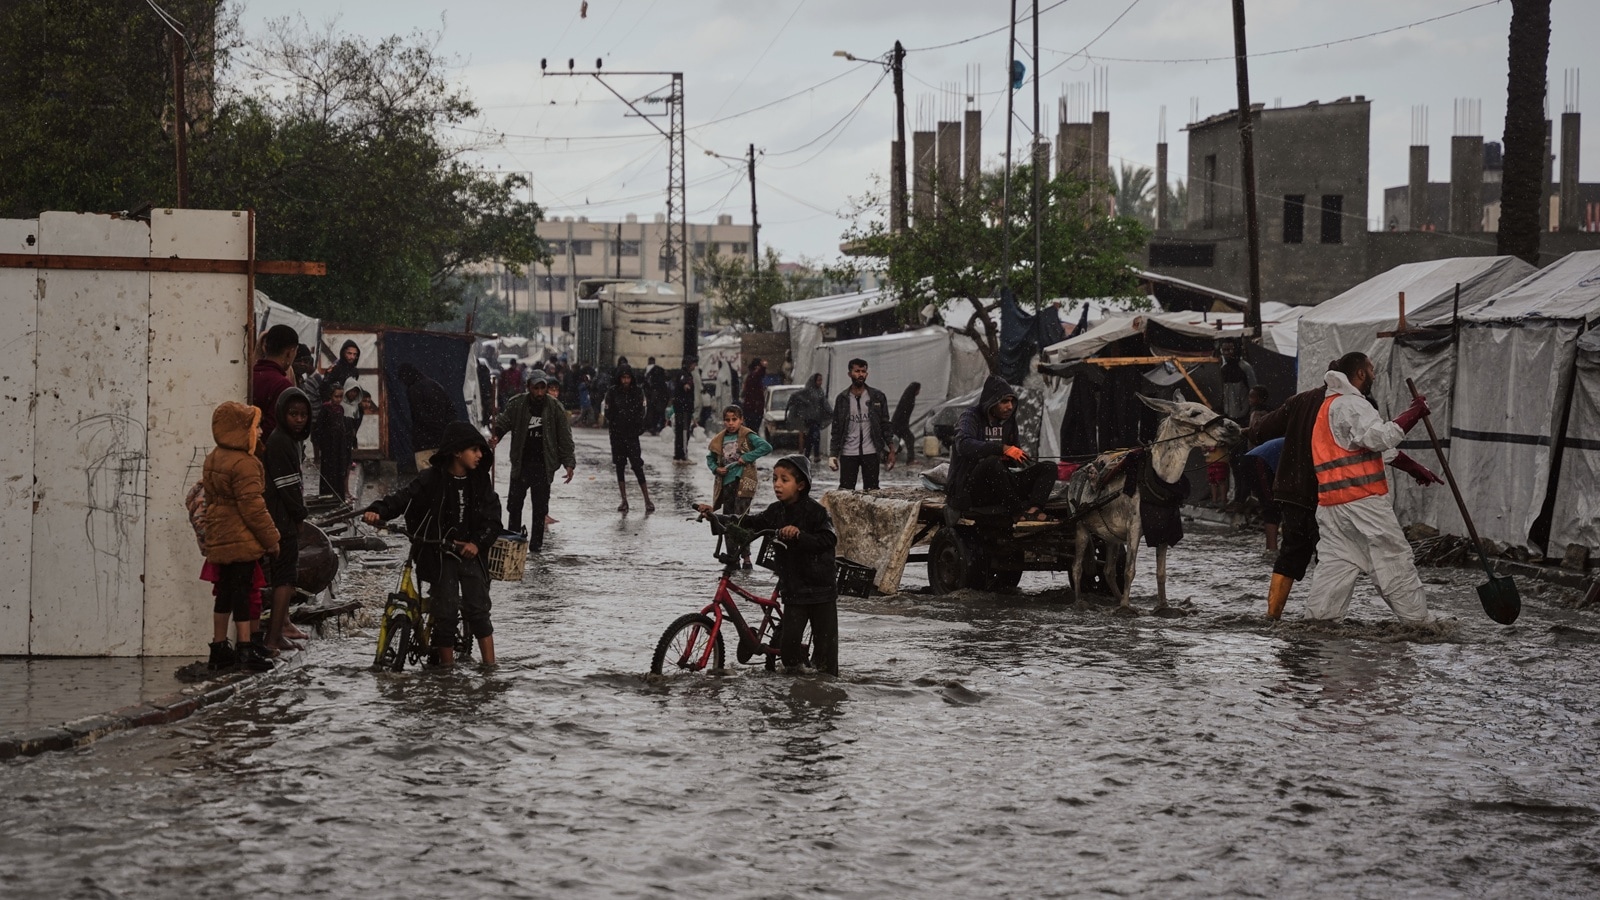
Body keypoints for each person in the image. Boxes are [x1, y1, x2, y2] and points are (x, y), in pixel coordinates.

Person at [1301, 352, 1445, 626]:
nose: (1375, 377)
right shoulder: (1352, 404)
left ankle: (1318, 624)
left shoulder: (1329, 407)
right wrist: (1414, 413)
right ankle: (1419, 624)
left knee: (1336, 566)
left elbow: (1370, 451)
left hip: (1333, 507)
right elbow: (1379, 438)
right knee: (1393, 559)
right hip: (1364, 504)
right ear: (1360, 374)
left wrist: (1414, 467)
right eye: (1372, 371)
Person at [363, 421, 503, 666]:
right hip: (440, 555)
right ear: (457, 452)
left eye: (481, 451)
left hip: (471, 556)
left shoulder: (480, 482)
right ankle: (446, 674)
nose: (480, 455)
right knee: (445, 613)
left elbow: (493, 520)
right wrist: (378, 511)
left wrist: (477, 543)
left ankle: (490, 668)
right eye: (475, 450)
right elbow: (403, 499)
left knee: (479, 611)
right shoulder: (431, 479)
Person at [696, 455, 838, 675]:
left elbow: (829, 539)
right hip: (793, 590)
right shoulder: (776, 511)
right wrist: (716, 518)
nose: (777, 485)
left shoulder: (817, 512)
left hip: (820, 590)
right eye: (774, 479)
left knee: (826, 661)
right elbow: (748, 522)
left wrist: (799, 535)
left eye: (784, 480)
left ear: (801, 485)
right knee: (789, 656)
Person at [202, 401, 280, 673]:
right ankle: (245, 649)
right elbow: (253, 508)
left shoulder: (214, 457)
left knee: (223, 591)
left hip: (220, 533)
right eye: (255, 427)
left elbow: (209, 498)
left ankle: (219, 647)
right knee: (243, 591)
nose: (259, 432)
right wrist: (272, 539)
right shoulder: (245, 464)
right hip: (241, 536)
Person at [1248, 373, 1332, 619]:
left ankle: (1273, 615)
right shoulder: (1347, 405)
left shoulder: (1300, 401)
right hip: (1324, 495)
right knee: (1329, 556)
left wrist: (1247, 432)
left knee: (1290, 554)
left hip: (1292, 492)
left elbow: (1261, 429)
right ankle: (1319, 617)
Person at [946, 375, 1056, 521]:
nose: (1009, 406)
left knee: (1049, 467)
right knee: (992, 463)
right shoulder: (971, 417)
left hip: (1000, 485)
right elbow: (964, 445)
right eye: (1004, 402)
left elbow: (1011, 457)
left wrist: (1018, 457)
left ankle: (1034, 510)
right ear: (991, 402)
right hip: (971, 488)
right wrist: (1002, 449)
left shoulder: (1008, 422)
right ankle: (1017, 513)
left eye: (1011, 401)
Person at [491, 372, 575, 551]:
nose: (539, 392)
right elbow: (504, 422)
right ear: (529, 387)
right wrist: (496, 436)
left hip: (543, 466)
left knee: (540, 509)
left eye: (542, 388)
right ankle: (513, 543)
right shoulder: (517, 404)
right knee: (514, 506)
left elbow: (565, 437)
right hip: (521, 464)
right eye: (535, 388)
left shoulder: (555, 408)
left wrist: (569, 463)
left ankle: (536, 546)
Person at [262, 387, 312, 654]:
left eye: (303, 414)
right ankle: (274, 637)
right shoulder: (280, 441)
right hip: (282, 519)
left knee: (284, 575)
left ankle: (282, 626)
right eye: (293, 414)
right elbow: (287, 486)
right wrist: (300, 515)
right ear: (283, 414)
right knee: (285, 577)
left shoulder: (289, 440)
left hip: (282, 516)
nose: (299, 419)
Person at [706, 404, 773, 571]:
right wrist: (716, 468)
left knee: (741, 520)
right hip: (726, 484)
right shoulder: (719, 439)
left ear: (741, 420)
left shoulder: (747, 435)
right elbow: (711, 458)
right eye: (727, 420)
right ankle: (732, 557)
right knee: (728, 521)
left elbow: (766, 447)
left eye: (734, 419)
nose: (731, 423)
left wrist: (747, 457)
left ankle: (746, 557)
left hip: (744, 483)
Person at [828, 358, 894, 490]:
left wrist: (891, 450)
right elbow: (836, 429)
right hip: (848, 452)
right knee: (846, 491)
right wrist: (833, 454)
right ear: (850, 374)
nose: (861, 374)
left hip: (871, 452)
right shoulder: (842, 399)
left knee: (872, 491)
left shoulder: (877, 397)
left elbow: (885, 424)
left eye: (863, 371)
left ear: (867, 374)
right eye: (857, 371)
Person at [604, 365, 654, 513]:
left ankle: (647, 499)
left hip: (632, 435)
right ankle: (624, 499)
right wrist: (617, 422)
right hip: (617, 434)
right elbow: (608, 411)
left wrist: (636, 425)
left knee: (637, 466)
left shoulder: (637, 392)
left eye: (628, 378)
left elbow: (642, 410)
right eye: (623, 378)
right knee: (620, 466)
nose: (625, 381)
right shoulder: (612, 392)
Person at [398, 362, 458, 470]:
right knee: (441, 478)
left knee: (426, 480)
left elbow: (420, 417)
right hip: (442, 443)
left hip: (424, 444)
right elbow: (451, 412)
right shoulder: (436, 385)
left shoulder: (414, 389)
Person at [252, 324, 299, 440]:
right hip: (268, 455)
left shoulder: (249, 376)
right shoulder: (282, 385)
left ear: (265, 347)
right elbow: (273, 431)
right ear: (289, 353)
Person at [312, 379, 351, 500]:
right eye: (336, 396)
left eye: (341, 397)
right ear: (331, 396)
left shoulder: (340, 409)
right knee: (329, 470)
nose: (338, 399)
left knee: (339, 469)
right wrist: (318, 445)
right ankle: (327, 495)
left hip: (339, 445)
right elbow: (319, 427)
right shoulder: (326, 408)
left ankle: (338, 495)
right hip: (329, 445)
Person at [1244, 437, 1285, 553]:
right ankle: (1271, 549)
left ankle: (1254, 502)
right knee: (1271, 505)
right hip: (1261, 459)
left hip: (1265, 459)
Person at [1219, 339, 1257, 426]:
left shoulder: (1245, 368)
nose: (1226, 353)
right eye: (1224, 350)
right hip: (1228, 414)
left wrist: (1251, 411)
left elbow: (1254, 390)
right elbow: (1224, 392)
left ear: (1236, 350)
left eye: (1229, 350)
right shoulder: (1224, 369)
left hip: (1243, 415)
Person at [796, 373, 828, 463]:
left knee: (812, 437)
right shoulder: (809, 391)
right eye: (818, 380)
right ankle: (815, 455)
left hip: (817, 419)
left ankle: (808, 455)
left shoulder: (820, 391)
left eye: (821, 380)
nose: (820, 382)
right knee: (814, 436)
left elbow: (823, 404)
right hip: (809, 419)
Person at [671, 362, 698, 463]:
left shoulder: (685, 374)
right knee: (683, 432)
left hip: (683, 407)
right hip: (683, 408)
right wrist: (686, 385)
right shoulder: (684, 374)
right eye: (693, 364)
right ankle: (682, 455)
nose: (695, 367)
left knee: (681, 431)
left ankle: (680, 454)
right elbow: (684, 385)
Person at [891, 381, 922, 465]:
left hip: (899, 424)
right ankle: (910, 460)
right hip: (900, 425)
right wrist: (904, 426)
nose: (919, 392)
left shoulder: (908, 397)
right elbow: (903, 413)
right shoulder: (908, 399)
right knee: (909, 439)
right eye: (918, 389)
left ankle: (890, 458)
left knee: (895, 443)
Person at [643, 356, 668, 435]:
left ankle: (651, 427)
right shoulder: (660, 371)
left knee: (651, 411)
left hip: (652, 395)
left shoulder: (648, 371)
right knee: (659, 412)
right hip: (660, 395)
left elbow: (645, 382)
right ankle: (657, 427)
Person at [742, 358, 767, 427]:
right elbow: (759, 374)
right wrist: (763, 367)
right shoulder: (753, 377)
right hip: (753, 410)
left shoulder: (751, 377)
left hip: (753, 409)